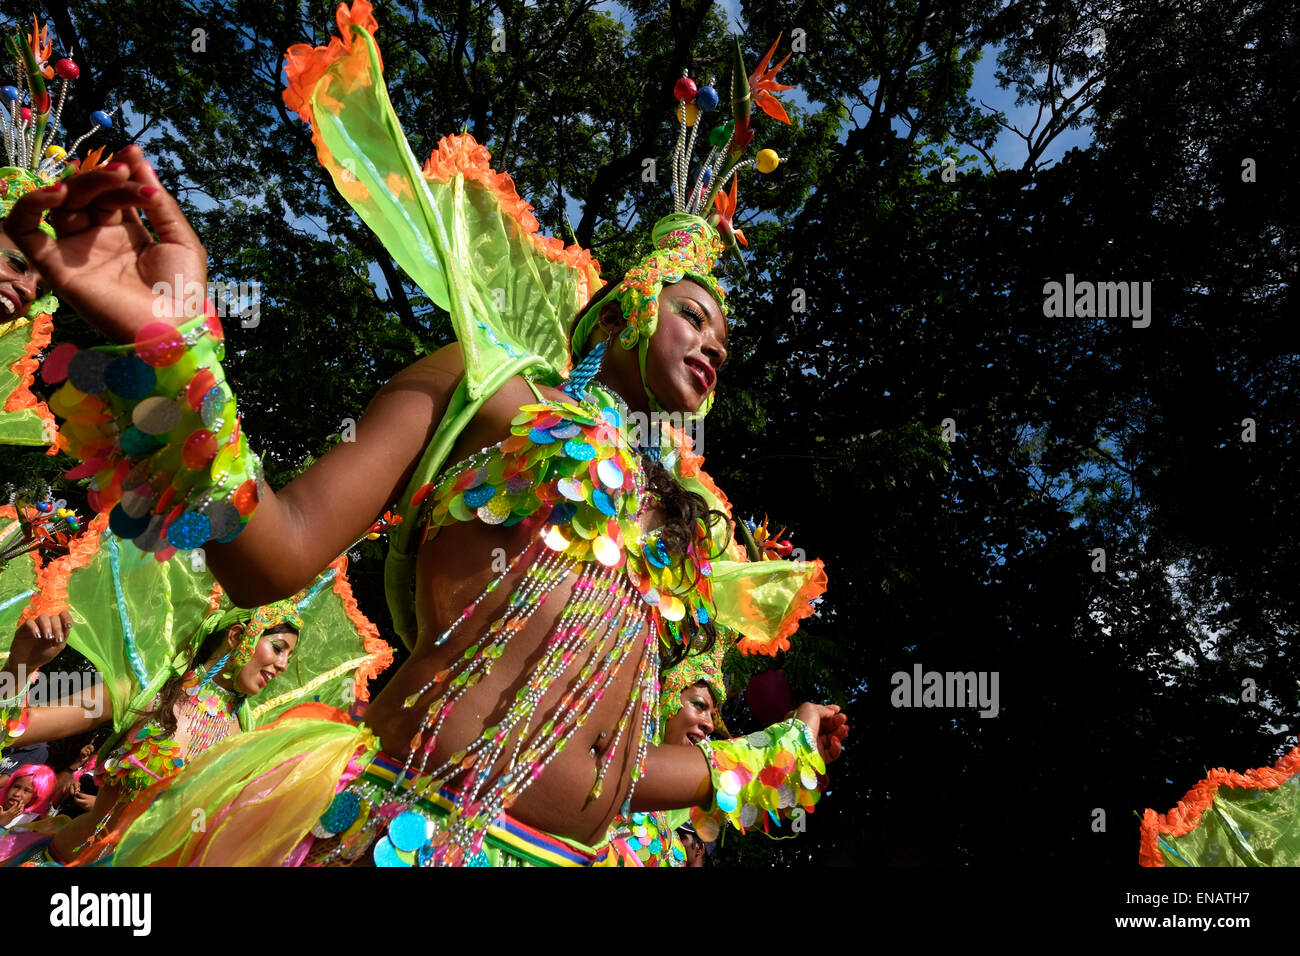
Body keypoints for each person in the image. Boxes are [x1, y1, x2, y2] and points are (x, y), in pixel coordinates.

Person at [10, 2, 846, 867]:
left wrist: (775, 749)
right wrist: (176, 338)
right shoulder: (487, 384)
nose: (713, 345)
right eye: (694, 314)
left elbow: (617, 763)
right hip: (416, 829)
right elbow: (274, 551)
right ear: (629, 305)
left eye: (724, 339)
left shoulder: (676, 529)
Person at [0, 763, 56, 831]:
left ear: (36, 797)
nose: (17, 794)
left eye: (26, 791)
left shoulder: (32, 821)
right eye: (16, 787)